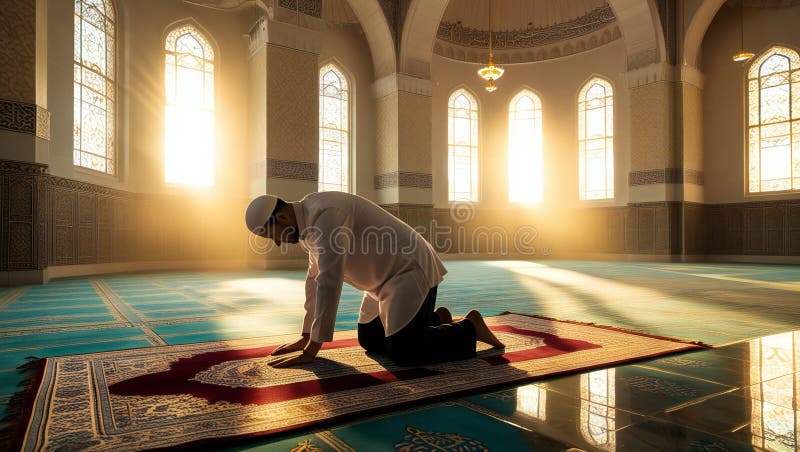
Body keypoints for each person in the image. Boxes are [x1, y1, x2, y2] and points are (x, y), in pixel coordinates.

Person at [245, 191, 504, 368]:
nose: (277, 242)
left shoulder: (326, 213)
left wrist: (312, 348)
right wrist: (305, 335)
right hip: (380, 284)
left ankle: (470, 327)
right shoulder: (308, 225)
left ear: (281, 217)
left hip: (407, 270)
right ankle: (434, 320)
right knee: (370, 340)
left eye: (272, 235)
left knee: (405, 352)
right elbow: (314, 280)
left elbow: (329, 280)